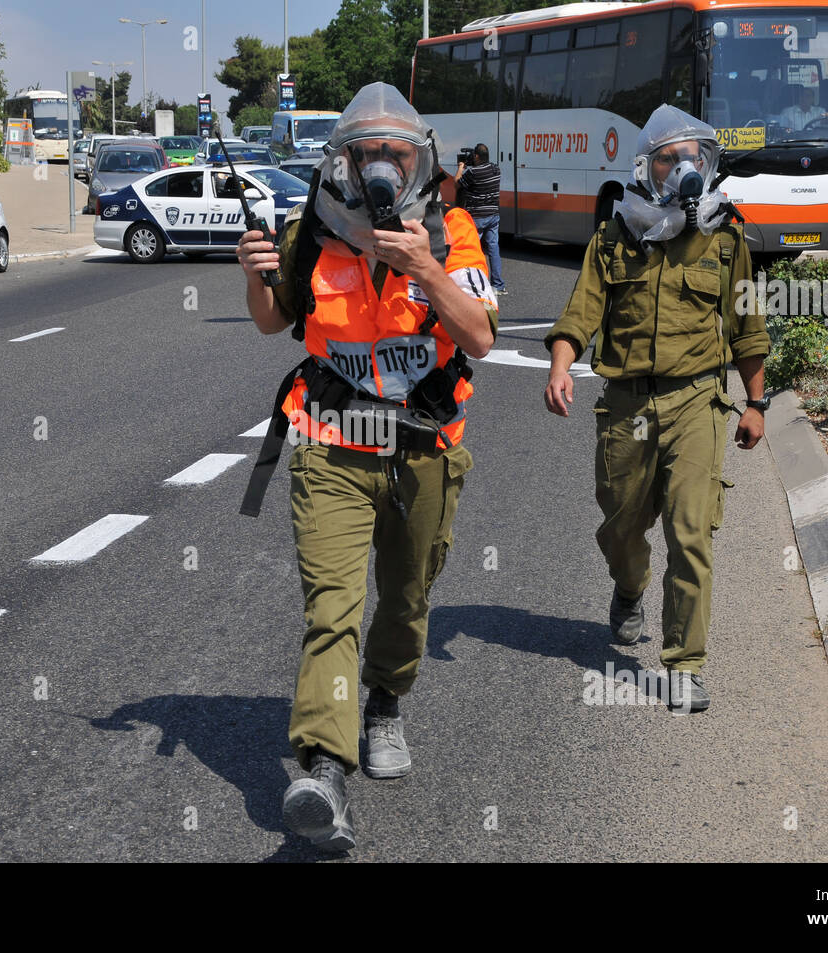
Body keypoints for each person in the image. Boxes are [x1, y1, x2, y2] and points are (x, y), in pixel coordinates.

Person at [237, 83, 497, 851]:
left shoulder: (451, 231)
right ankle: (322, 765)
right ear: (342, 161)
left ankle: (385, 700)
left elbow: (479, 337)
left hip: (423, 445)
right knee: (332, 607)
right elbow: (272, 320)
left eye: (397, 154)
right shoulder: (312, 229)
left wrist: (427, 268)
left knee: (407, 597)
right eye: (367, 154)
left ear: (421, 160)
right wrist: (254, 271)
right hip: (331, 440)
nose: (381, 167)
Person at [542, 104, 770, 714]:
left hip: (697, 398)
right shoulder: (616, 236)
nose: (685, 167)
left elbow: (747, 327)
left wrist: (756, 402)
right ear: (648, 167)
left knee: (690, 529)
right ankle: (628, 584)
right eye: (671, 157)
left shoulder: (725, 238)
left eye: (695, 155)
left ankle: (685, 663)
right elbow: (580, 313)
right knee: (621, 523)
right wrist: (562, 366)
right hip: (627, 403)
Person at [455, 143, 506, 295]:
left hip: (476, 217)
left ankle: (474, 284)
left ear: (476, 156)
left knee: (472, 250)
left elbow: (457, 184)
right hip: (493, 215)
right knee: (493, 249)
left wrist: (460, 168)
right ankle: (498, 285)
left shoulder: (473, 173)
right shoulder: (496, 169)